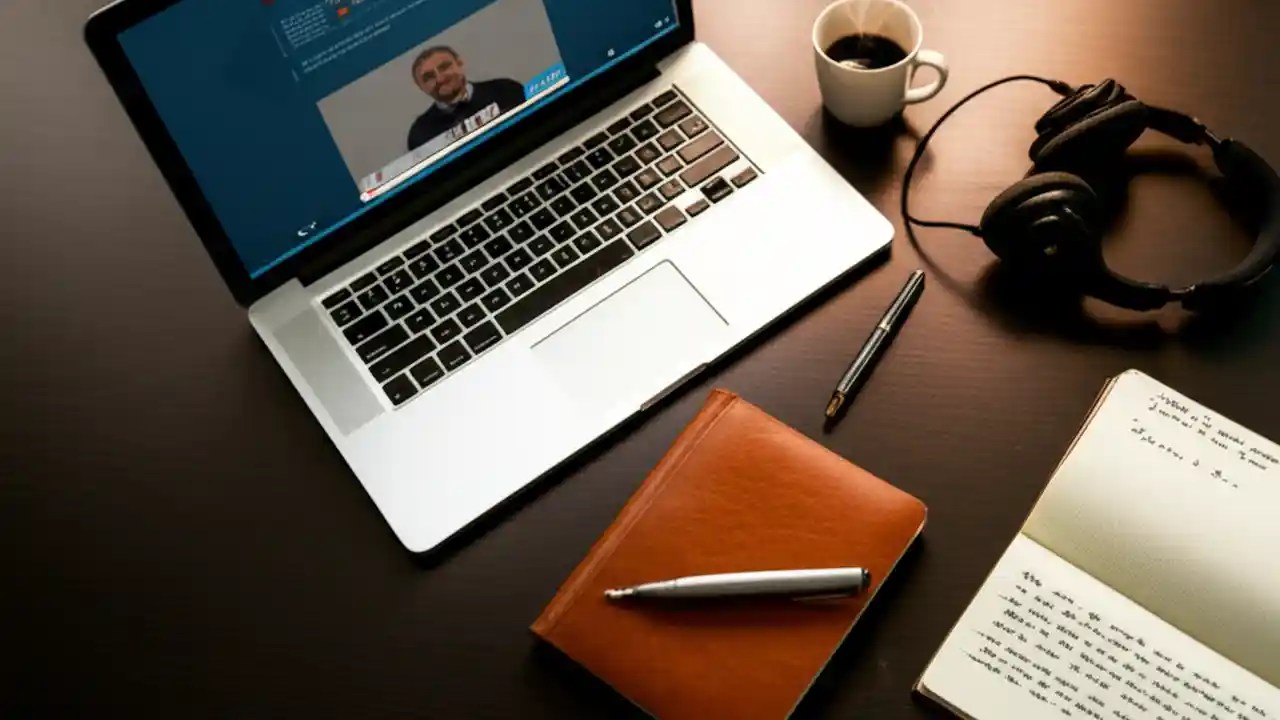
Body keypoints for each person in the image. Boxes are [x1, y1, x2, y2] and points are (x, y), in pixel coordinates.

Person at [407, 46, 526, 152]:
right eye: (429, 77)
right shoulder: (420, 134)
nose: (440, 79)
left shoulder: (505, 90)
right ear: (420, 86)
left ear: (460, 64)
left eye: (444, 67)